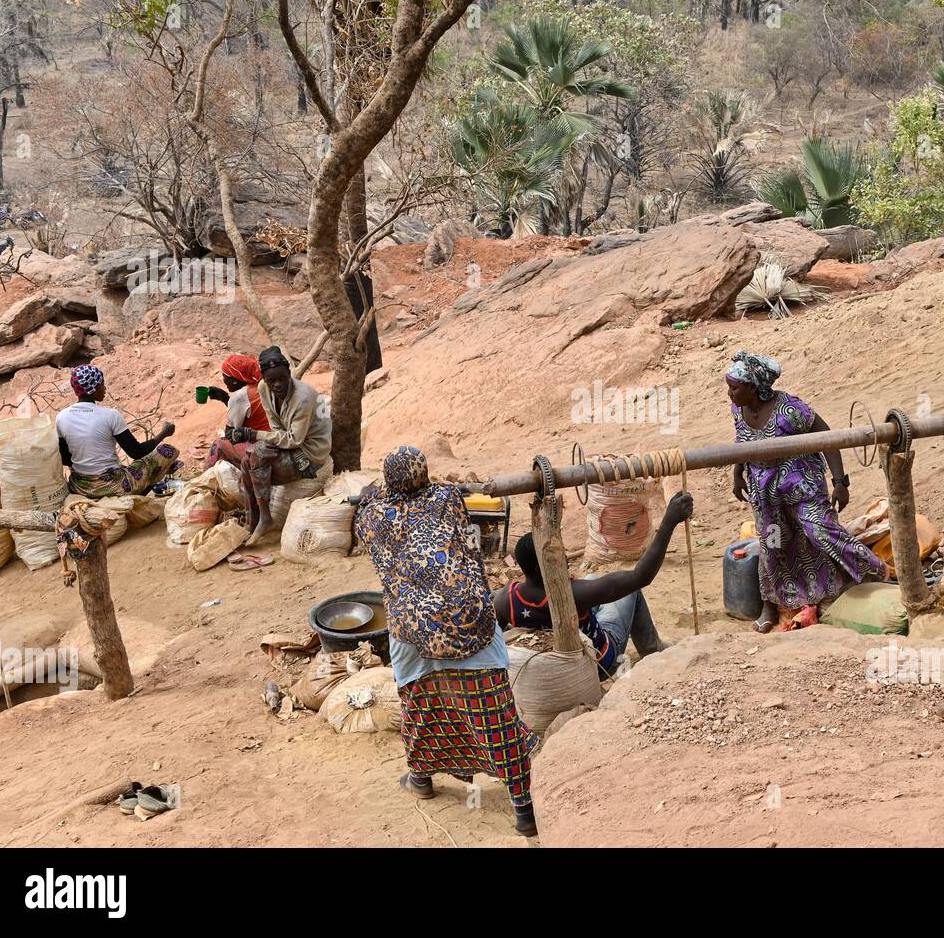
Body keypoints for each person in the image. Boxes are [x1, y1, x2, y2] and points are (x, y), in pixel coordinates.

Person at [355, 446, 539, 837]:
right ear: (423, 475)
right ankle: (523, 808)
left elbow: (372, 521)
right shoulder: (447, 498)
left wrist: (374, 498)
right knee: (493, 709)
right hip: (468, 620)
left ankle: (421, 779)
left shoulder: (370, 517)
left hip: (411, 627)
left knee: (420, 699)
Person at [726, 350, 887, 633]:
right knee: (772, 544)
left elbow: (827, 438)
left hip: (800, 482)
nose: (730, 393)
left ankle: (873, 570)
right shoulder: (739, 409)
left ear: (753, 387)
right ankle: (770, 605)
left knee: (820, 530)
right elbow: (743, 441)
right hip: (765, 492)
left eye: (734, 387)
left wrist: (840, 482)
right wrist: (738, 473)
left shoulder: (790, 409)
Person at [495, 492, 692, 679]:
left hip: (555, 668)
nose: (564, 557)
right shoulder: (573, 594)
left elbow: (495, 643)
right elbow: (641, 576)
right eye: (558, 554)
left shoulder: (505, 599)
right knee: (631, 590)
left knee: (590, 578)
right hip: (599, 665)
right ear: (542, 569)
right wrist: (669, 521)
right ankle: (652, 649)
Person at [208, 346, 332, 546]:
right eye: (271, 380)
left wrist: (255, 434)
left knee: (256, 453)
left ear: (289, 374)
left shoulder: (303, 397)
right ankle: (253, 520)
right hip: (291, 445)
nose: (277, 385)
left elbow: (295, 438)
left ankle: (264, 518)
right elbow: (275, 425)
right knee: (249, 458)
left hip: (310, 452)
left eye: (282, 379)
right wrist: (274, 440)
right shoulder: (263, 389)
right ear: (263, 378)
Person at [56, 364, 179, 499]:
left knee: (123, 467)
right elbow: (136, 452)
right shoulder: (110, 415)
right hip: (115, 486)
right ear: (94, 388)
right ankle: (136, 497)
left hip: (80, 487)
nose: (105, 388)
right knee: (166, 451)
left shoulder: (62, 417)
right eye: (102, 384)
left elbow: (65, 459)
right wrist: (163, 433)